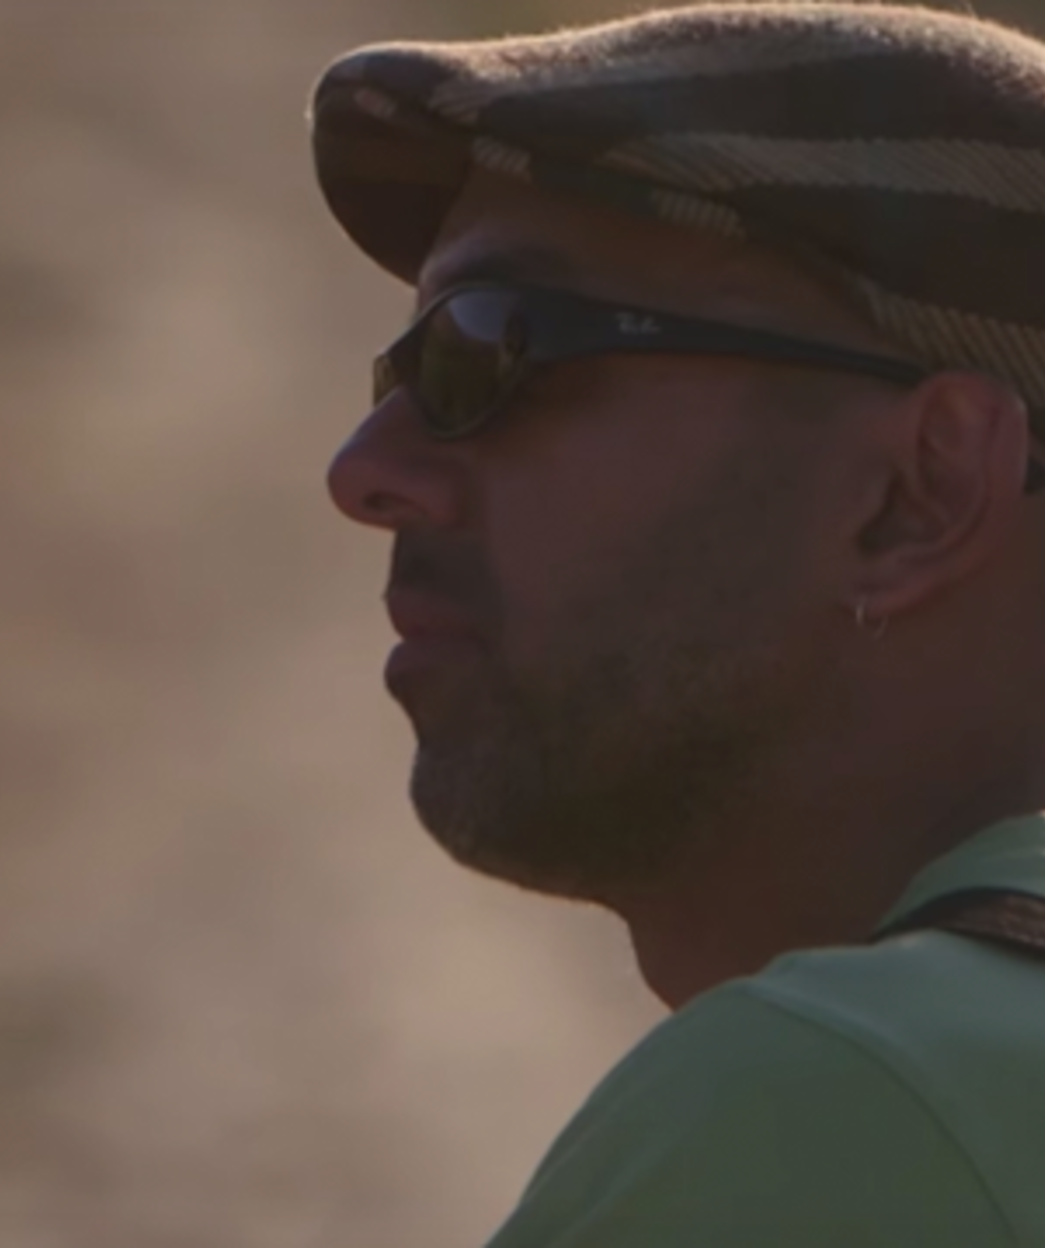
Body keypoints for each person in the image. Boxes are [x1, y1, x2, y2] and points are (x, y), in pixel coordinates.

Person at [311, 3, 1045, 1244]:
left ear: (917, 493)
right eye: (400, 375)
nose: (366, 470)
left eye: (491, 348)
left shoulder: (843, 1104)